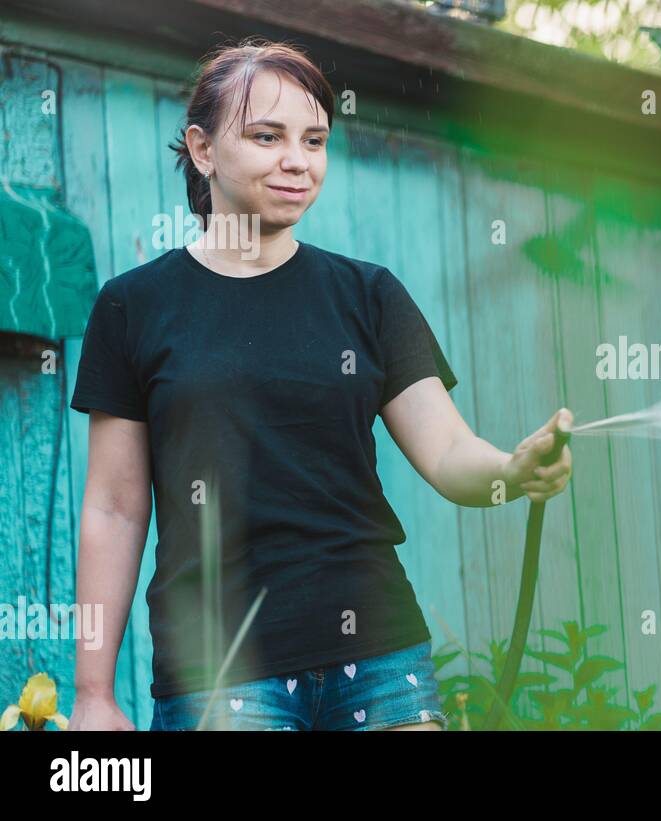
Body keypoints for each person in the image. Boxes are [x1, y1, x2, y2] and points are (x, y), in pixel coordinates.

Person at [65, 38, 572, 731]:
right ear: (203, 149)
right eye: (267, 137)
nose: (297, 161)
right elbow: (113, 510)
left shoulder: (369, 296)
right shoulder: (133, 307)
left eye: (315, 139)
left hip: (383, 656)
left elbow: (450, 452)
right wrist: (94, 693)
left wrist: (512, 469)